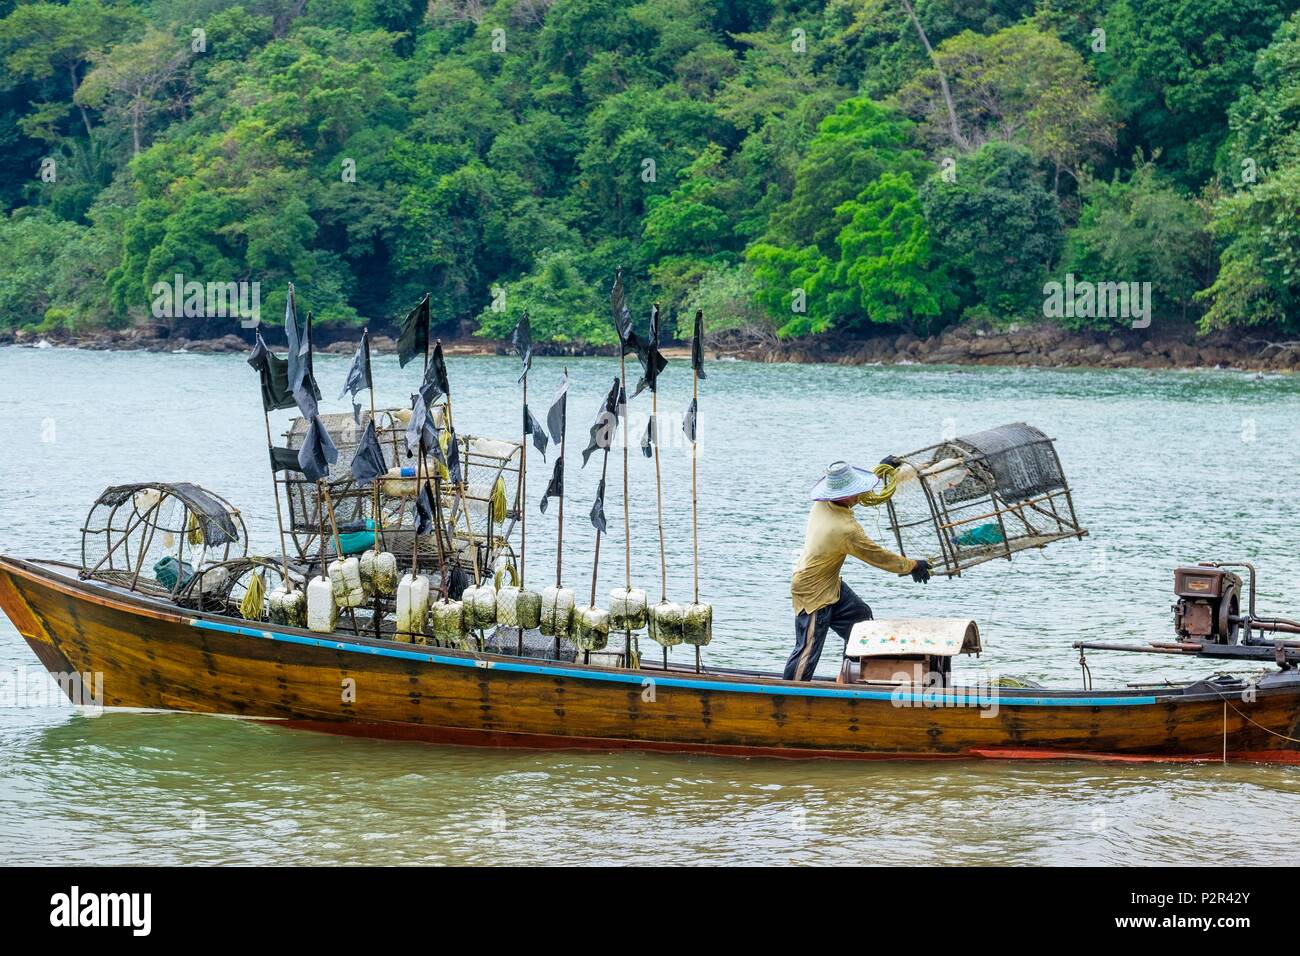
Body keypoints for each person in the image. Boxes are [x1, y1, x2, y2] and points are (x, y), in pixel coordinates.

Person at [784, 459, 930, 681]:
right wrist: (913, 565)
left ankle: (848, 678)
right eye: (855, 492)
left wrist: (879, 473)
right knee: (807, 650)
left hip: (830, 583)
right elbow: (878, 556)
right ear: (843, 495)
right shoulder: (845, 529)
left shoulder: (823, 503)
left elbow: (852, 490)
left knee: (860, 620)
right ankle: (788, 697)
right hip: (812, 590)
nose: (859, 496)